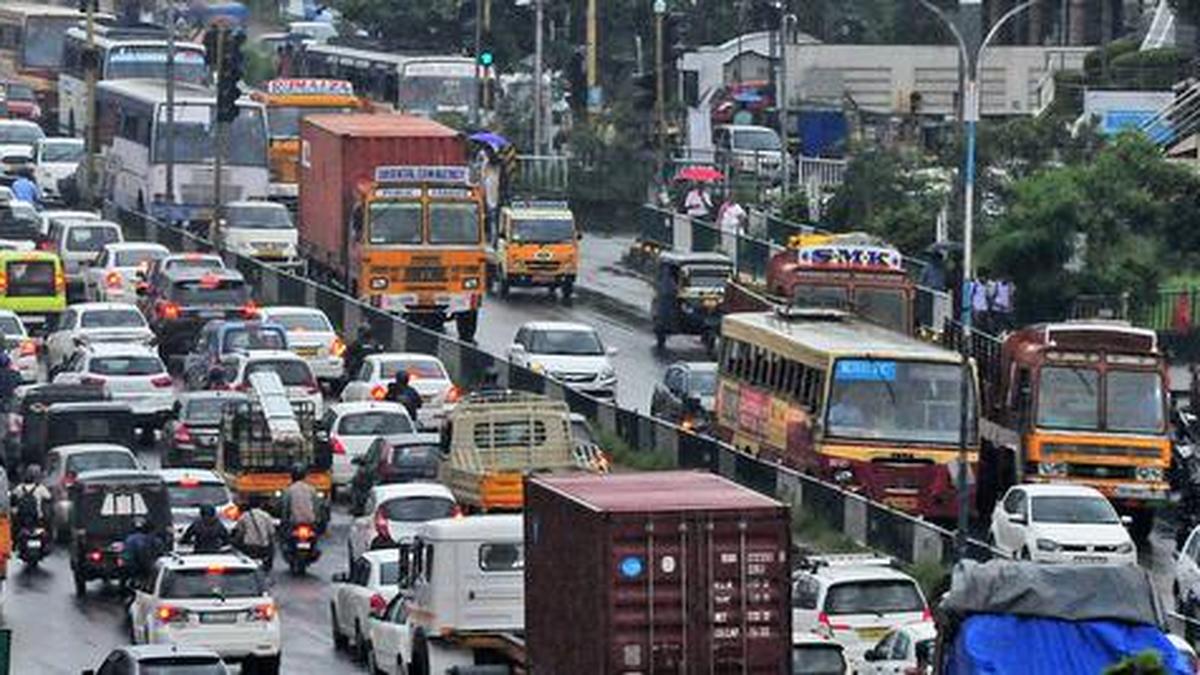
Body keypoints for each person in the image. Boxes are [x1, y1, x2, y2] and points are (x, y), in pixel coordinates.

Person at [232, 500, 275, 568]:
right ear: (261, 505)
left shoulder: (244, 516)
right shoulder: (266, 516)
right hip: (263, 546)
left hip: (250, 546)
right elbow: (271, 533)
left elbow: (239, 531)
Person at [122, 517, 163, 586]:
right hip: (149, 570)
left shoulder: (129, 540)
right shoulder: (154, 539)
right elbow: (160, 553)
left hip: (136, 571)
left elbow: (127, 556)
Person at [11, 464, 50, 530]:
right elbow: (49, 497)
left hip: (21, 519)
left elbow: (13, 497)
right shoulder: (41, 488)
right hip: (37, 518)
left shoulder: (19, 488)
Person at [280, 465, 318, 530]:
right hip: (310, 521)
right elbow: (316, 507)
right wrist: (316, 520)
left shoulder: (288, 490)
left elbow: (285, 508)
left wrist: (284, 521)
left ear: (292, 476)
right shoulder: (311, 489)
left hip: (294, 523)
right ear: (304, 476)